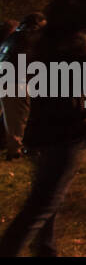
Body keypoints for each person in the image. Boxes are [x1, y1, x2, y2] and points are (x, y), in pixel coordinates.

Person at [0, 0, 86, 256]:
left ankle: (46, 249)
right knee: (41, 204)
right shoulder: (75, 48)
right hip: (63, 134)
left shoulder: (48, 40)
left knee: (47, 199)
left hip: (45, 130)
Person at [0, 13, 44, 160]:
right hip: (16, 81)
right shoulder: (30, 38)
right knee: (19, 118)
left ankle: (16, 147)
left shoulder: (12, 38)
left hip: (6, 79)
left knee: (12, 117)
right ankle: (15, 151)